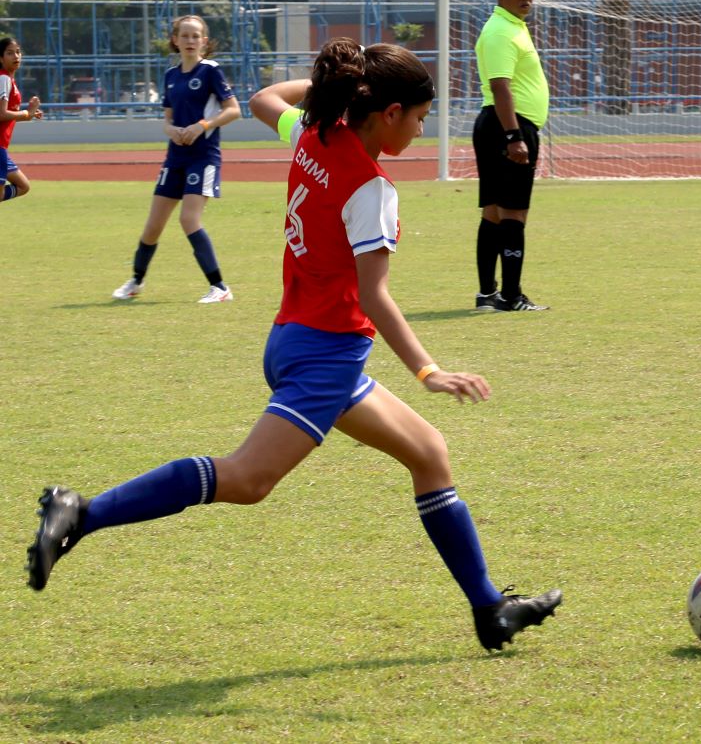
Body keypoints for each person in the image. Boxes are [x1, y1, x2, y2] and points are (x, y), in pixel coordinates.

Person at [27, 39, 562, 653]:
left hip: (295, 339)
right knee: (249, 480)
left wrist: (340, 91)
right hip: (325, 355)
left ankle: (489, 609)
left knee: (429, 454)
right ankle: (80, 512)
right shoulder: (372, 188)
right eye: (418, 116)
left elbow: (262, 99)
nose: (421, 127)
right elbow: (376, 297)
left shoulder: (315, 134)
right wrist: (428, 370)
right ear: (387, 112)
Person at [111, 15, 241, 303]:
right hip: (175, 158)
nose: (191, 41)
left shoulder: (211, 71)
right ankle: (136, 281)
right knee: (153, 225)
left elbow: (233, 110)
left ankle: (220, 287)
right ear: (175, 40)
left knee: (188, 219)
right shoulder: (171, 76)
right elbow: (167, 119)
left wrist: (202, 126)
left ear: (204, 41)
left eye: (196, 36)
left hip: (203, 156)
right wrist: (171, 129)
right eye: (185, 36)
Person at [472, 0, 550, 313]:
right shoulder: (501, 31)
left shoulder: (512, 27)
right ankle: (512, 296)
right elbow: (500, 86)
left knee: (494, 213)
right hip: (508, 128)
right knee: (514, 214)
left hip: (502, 127)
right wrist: (514, 136)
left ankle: (488, 292)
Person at [0, 37, 41, 204]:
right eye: (10, 53)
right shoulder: (3, 79)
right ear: (1, 58)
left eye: (18, 52)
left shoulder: (9, 80)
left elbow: (6, 118)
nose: (16, 56)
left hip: (1, 145)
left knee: (23, 186)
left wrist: (29, 115)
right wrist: (25, 113)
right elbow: (1, 114)